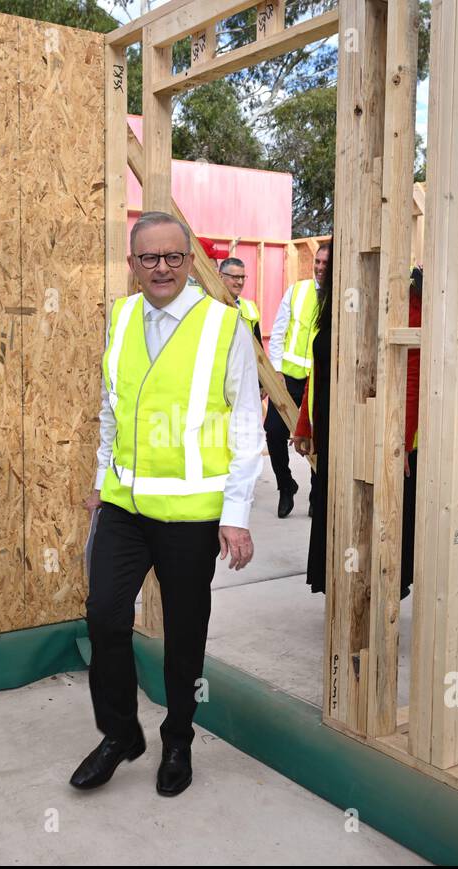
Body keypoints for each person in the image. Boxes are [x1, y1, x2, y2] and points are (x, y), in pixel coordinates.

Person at [73, 211, 264, 797]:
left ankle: (177, 739)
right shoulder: (122, 316)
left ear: (190, 261)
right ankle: (120, 734)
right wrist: (102, 481)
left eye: (174, 256)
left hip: (190, 514)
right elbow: (111, 407)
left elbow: (245, 424)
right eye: (150, 257)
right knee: (104, 616)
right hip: (124, 506)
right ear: (133, 264)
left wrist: (235, 515)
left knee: (184, 634)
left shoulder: (223, 326)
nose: (162, 268)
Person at [294, 261, 423, 597]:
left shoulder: (404, 300)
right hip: (335, 433)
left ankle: (373, 601)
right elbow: (320, 369)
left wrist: (401, 441)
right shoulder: (340, 300)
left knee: (376, 523)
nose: (325, 268)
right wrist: (305, 422)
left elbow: (411, 376)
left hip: (379, 435)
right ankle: (342, 597)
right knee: (339, 517)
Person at [265, 244, 329, 518]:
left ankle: (316, 496)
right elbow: (279, 331)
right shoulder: (297, 291)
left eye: (326, 263)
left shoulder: (337, 294)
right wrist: (277, 370)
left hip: (318, 380)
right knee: (273, 431)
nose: (320, 267)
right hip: (289, 377)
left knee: (317, 438)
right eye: (318, 261)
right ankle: (285, 486)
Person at [218, 257, 263, 343]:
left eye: (242, 277)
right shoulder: (211, 303)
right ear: (220, 276)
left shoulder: (250, 307)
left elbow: (258, 344)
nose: (240, 282)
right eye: (235, 277)